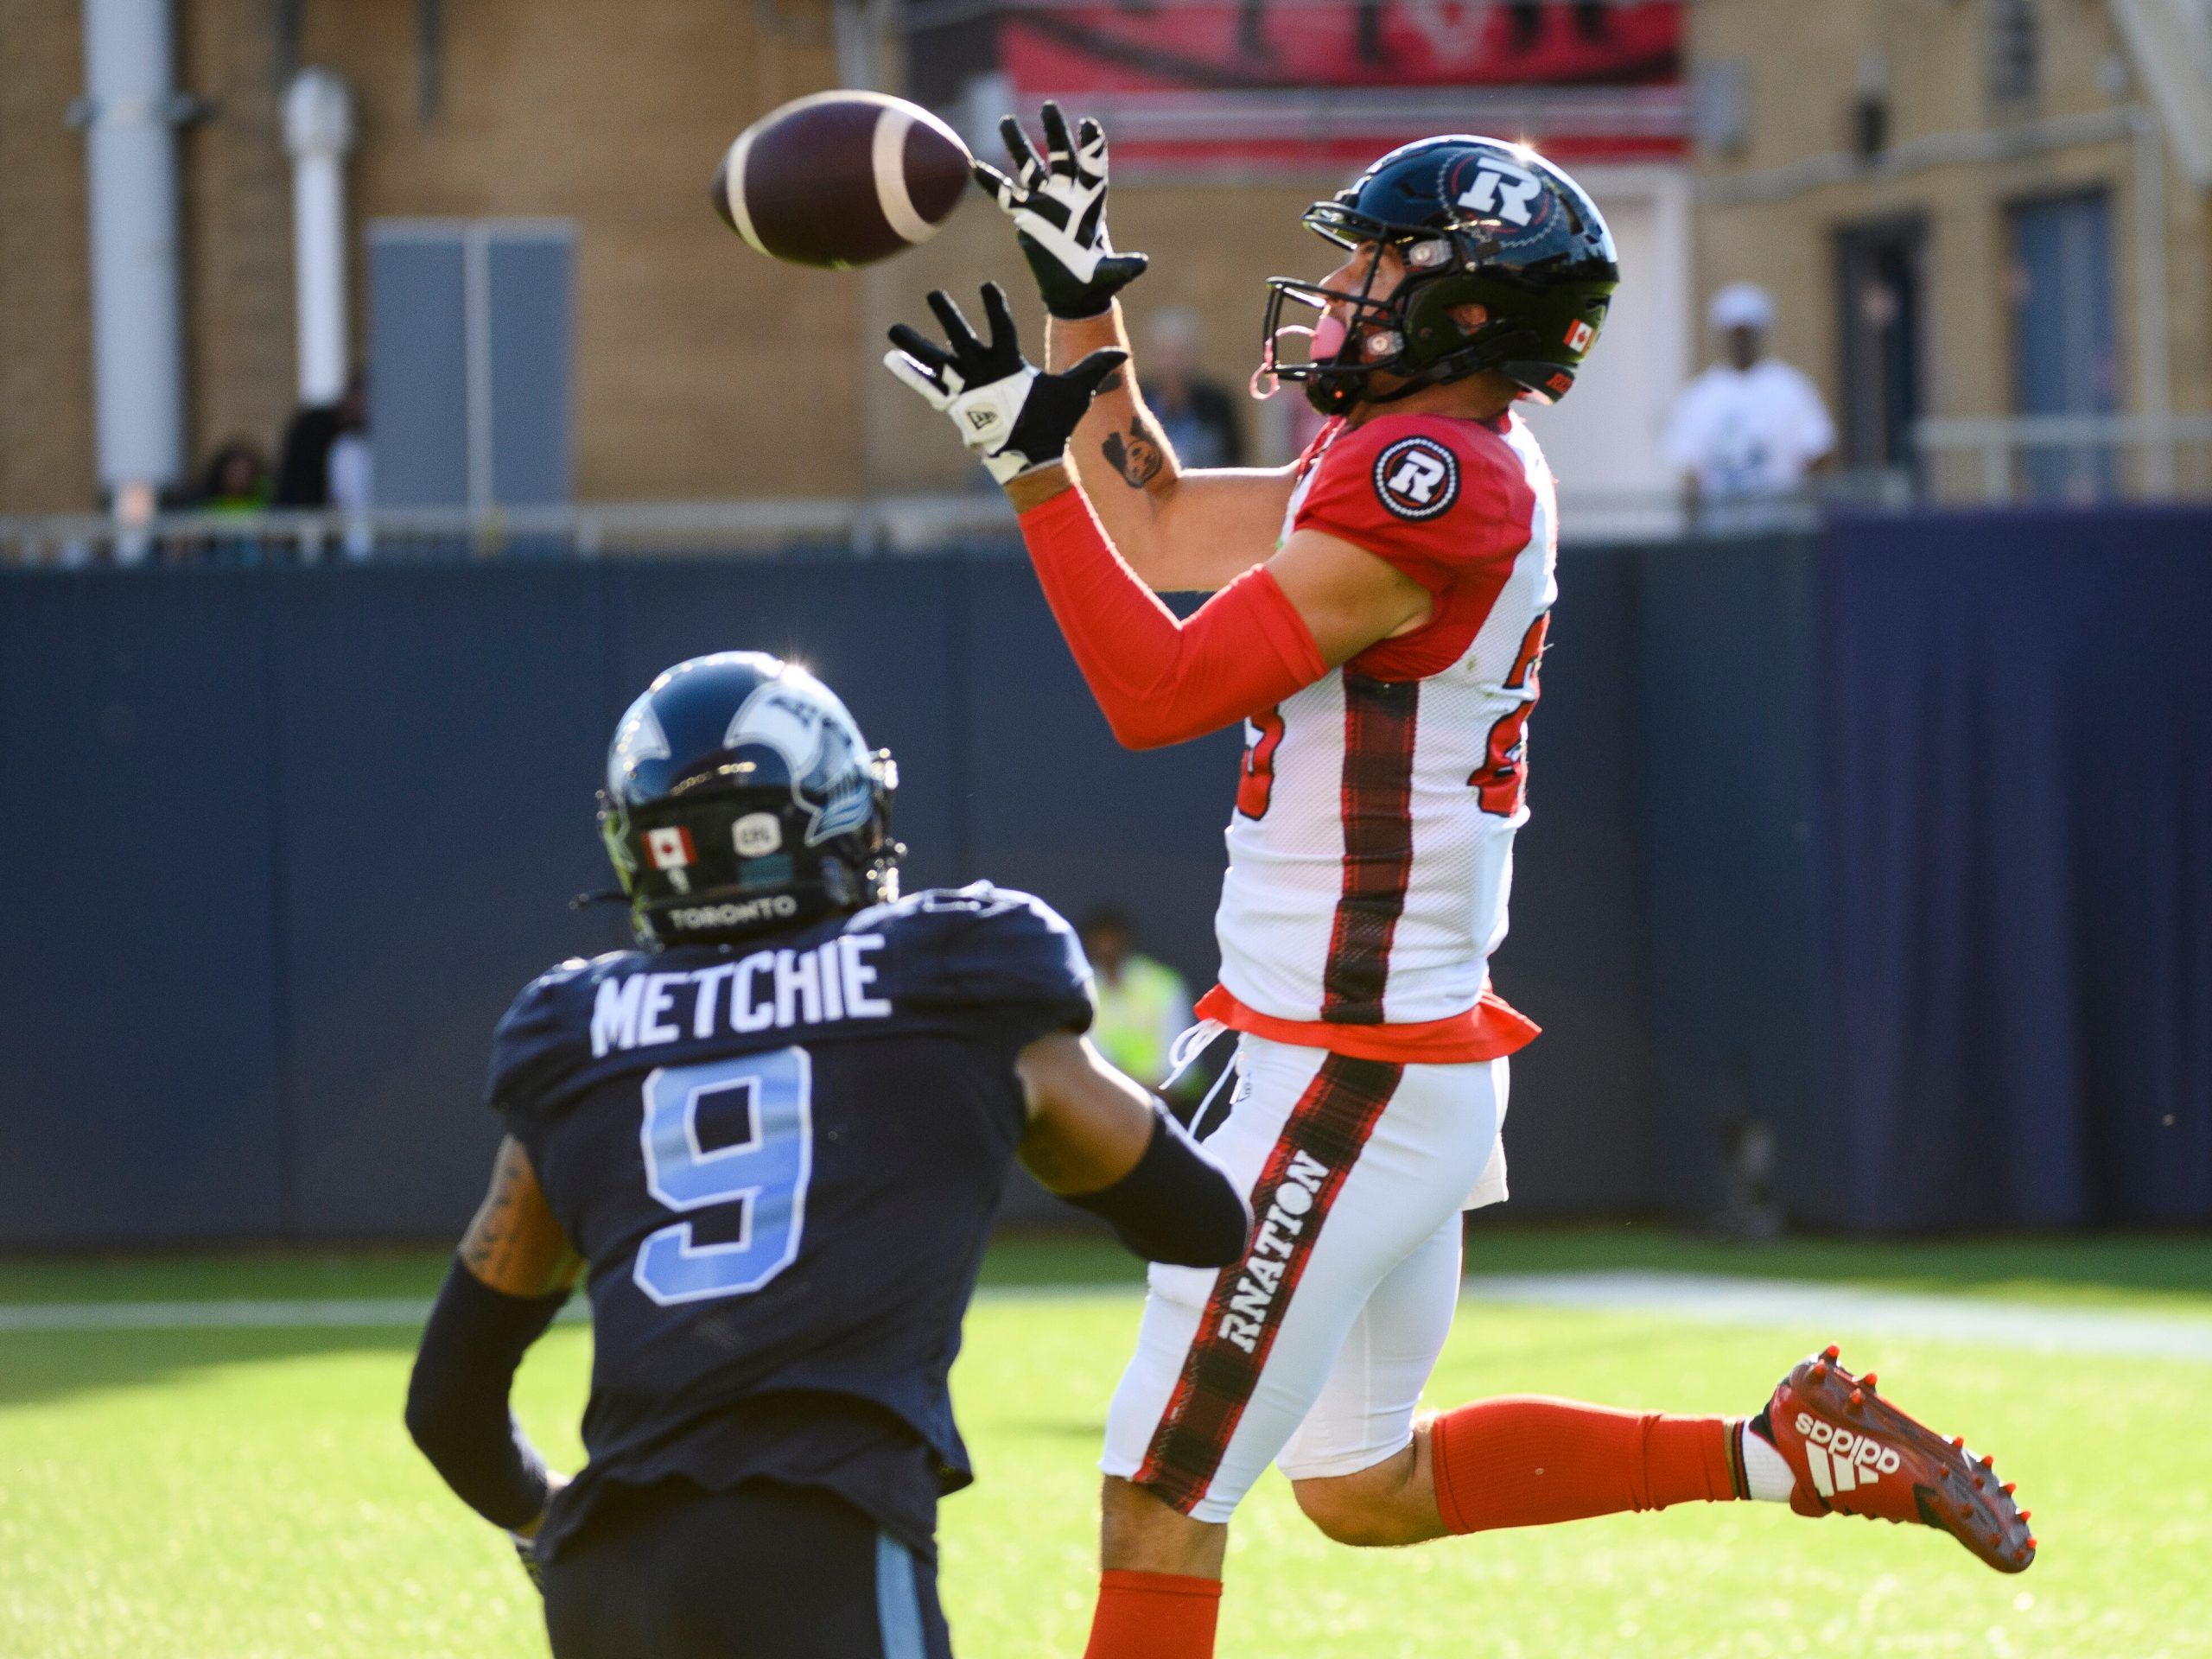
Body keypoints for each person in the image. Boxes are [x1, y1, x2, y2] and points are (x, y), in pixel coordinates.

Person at [891, 106, 2034, 1659]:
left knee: (1159, 1501)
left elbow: (1155, 689)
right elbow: (1153, 519)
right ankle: (1780, 1450)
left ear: (1466, 310)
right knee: (1363, 1483)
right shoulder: (1396, 453)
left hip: (1342, 1061)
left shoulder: (1436, 478)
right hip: (1363, 1051)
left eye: (1380, 267)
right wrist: (1076, 291)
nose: (1347, 294)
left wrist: (1028, 478)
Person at [404, 652, 1251, 1659]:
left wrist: (554, 1522)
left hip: (607, 1582)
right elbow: (1198, 1221)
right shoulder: (954, 976)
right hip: (822, 1550)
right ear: (840, 812)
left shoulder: (579, 1033)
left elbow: (450, 1406)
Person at [1664, 282, 1836, 512]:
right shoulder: (1700, 395)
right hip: (1721, 529)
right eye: (1735, 334)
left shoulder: (1791, 387)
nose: (1740, 342)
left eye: (1747, 333)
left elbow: (1818, 452)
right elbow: (1690, 470)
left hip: (1781, 527)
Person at [1079, 906, 1194, 1094]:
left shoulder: (1163, 984)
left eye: (1112, 938)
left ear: (1126, 939)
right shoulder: (1079, 990)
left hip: (1165, 1099)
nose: (1106, 946)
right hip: (1101, 1098)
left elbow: (1181, 1067)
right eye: (1100, 939)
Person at [1136, 310, 1244, 474]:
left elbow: (1235, 460)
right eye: (1165, 354)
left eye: (1179, 354)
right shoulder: (1136, 402)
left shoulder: (1218, 404)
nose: (1172, 363)